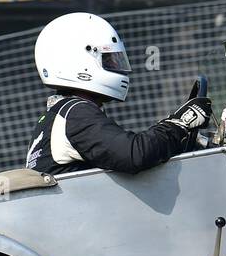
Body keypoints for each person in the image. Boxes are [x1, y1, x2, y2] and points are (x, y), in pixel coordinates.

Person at [25, 12, 212, 176]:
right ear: (77, 63)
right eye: (109, 60)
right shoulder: (76, 114)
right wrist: (180, 123)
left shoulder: (59, 114)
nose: (117, 68)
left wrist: (179, 136)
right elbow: (134, 155)